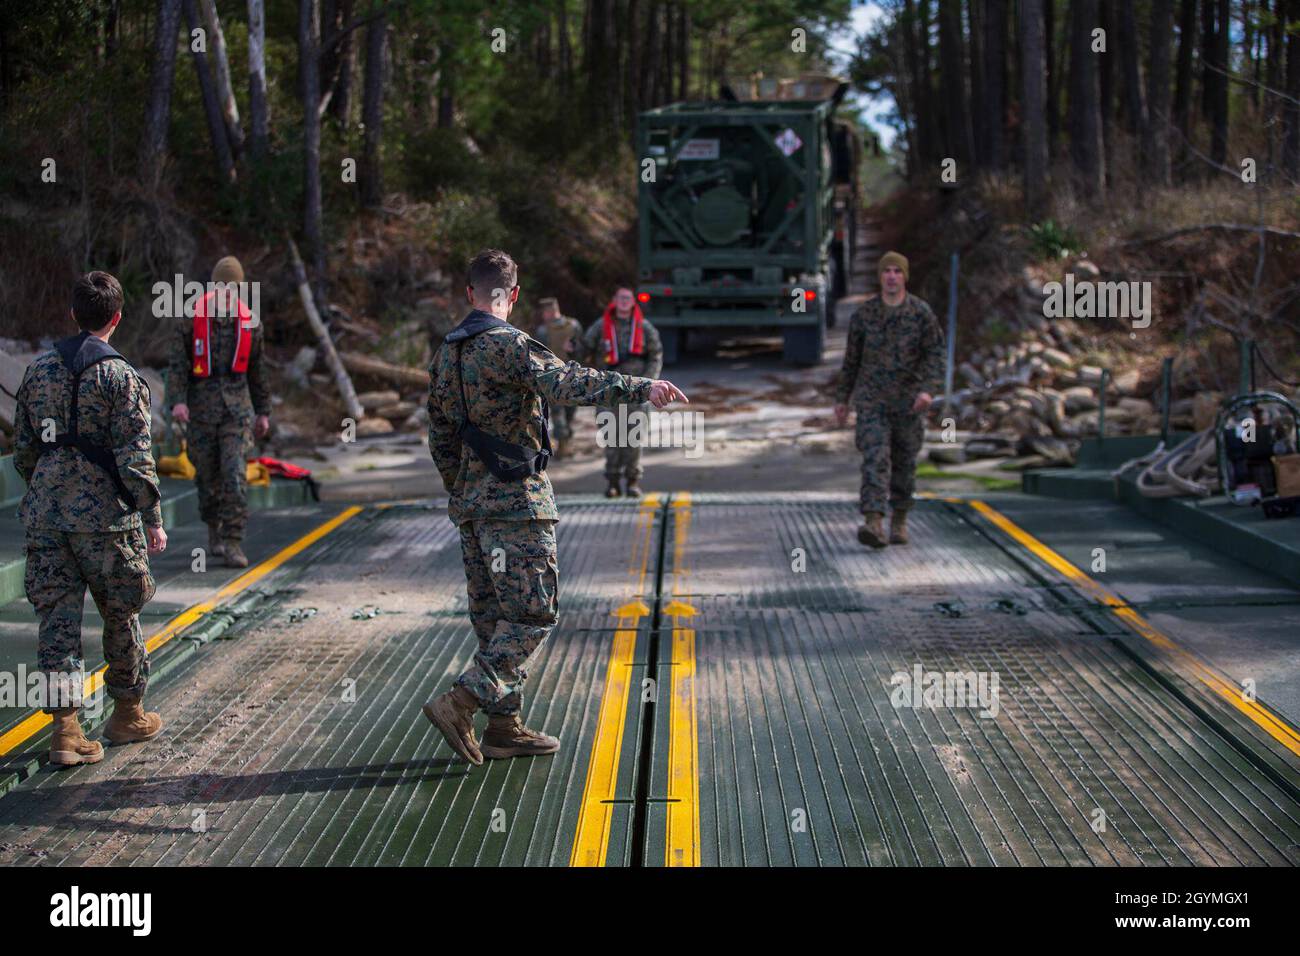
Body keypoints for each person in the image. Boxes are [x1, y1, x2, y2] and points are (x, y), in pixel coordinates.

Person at [424, 250, 687, 764]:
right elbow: (570, 382)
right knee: (532, 615)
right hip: (519, 504)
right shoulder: (511, 346)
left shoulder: (446, 355)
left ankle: (504, 726)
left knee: (495, 620)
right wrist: (641, 386)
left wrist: (463, 489)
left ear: (469, 293)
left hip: (472, 507)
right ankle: (461, 701)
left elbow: (439, 438)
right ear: (514, 295)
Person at [12, 271, 167, 765]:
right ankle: (128, 715)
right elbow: (136, 459)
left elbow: (23, 451)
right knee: (121, 614)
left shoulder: (37, 372)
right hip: (108, 523)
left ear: (73, 314)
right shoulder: (122, 378)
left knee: (55, 620)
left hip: (46, 518)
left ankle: (65, 731)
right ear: (117, 319)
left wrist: (50, 488)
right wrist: (153, 518)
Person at [834, 251, 945, 548]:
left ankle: (899, 519)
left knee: (904, 463)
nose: (892, 276)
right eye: (887, 272)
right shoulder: (864, 315)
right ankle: (873, 521)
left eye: (897, 271)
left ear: (905, 276)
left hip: (908, 403)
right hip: (872, 401)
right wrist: (842, 399)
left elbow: (935, 355)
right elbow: (851, 361)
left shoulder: (921, 314)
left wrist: (928, 390)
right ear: (880, 277)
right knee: (875, 458)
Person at [167, 256, 270, 569]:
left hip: (237, 414)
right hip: (200, 411)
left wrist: (263, 412)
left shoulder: (251, 324)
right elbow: (177, 367)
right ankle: (214, 529)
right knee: (207, 479)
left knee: (235, 476)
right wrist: (178, 401)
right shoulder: (189, 320)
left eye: (233, 288)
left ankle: (234, 542)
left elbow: (258, 372)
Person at [580, 287, 663, 498]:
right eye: (621, 298)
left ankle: (633, 481)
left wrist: (649, 382)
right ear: (614, 301)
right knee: (611, 438)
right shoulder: (601, 326)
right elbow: (584, 349)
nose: (624, 301)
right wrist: (572, 348)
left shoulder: (644, 327)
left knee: (633, 438)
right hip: (608, 390)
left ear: (633, 302)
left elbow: (656, 355)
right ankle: (613, 481)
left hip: (637, 391)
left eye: (628, 298)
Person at [532, 296, 583, 458]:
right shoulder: (574, 325)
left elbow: (538, 355)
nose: (543, 316)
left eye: (544, 312)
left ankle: (564, 442)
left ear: (550, 311)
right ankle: (564, 443)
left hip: (554, 376)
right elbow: (583, 349)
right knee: (565, 411)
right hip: (572, 375)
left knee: (560, 412)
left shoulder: (543, 330)